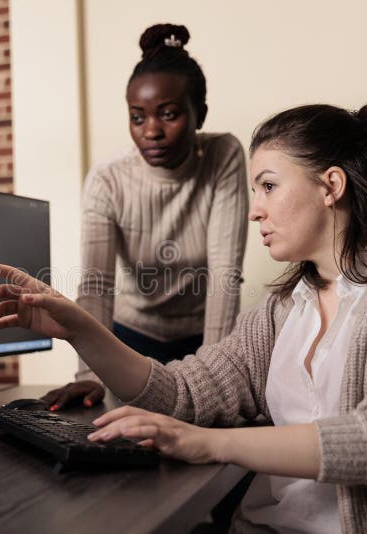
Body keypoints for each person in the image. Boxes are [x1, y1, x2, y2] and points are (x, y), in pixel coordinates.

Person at [0, 97, 367, 533]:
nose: (254, 209)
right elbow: (183, 394)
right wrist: (80, 329)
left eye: (269, 186)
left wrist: (211, 444)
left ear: (331, 186)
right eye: (255, 191)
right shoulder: (284, 309)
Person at [42, 23, 248, 410]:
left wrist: (214, 375)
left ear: (200, 114)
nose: (151, 131)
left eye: (168, 114)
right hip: (128, 341)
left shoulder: (223, 156)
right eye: (138, 118)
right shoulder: (108, 179)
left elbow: (225, 274)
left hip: (202, 340)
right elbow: (97, 285)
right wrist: (89, 376)